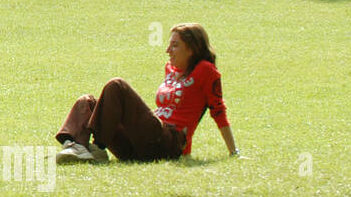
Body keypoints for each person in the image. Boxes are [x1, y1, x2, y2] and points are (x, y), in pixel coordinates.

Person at [55, 23, 238, 163]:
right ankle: (77, 147)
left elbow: (218, 111)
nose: (168, 50)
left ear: (191, 49)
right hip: (138, 146)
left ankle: (97, 147)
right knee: (87, 102)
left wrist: (233, 152)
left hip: (168, 143)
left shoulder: (206, 71)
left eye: (175, 45)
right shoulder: (171, 70)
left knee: (117, 86)